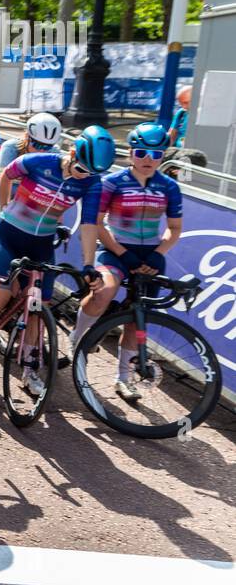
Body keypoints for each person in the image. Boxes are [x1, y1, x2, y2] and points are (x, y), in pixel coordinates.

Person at [0, 126, 114, 396]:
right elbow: (6, 175)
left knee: (39, 306)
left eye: (91, 172)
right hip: (7, 236)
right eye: (80, 168)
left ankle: (30, 368)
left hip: (41, 243)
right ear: (71, 152)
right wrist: (2, 206)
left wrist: (89, 264)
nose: (84, 175)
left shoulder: (91, 183)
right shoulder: (39, 161)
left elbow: (90, 224)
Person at [69, 123, 182, 401]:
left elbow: (175, 228)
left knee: (137, 318)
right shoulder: (113, 182)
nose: (148, 160)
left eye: (155, 155)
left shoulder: (169, 186)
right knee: (104, 291)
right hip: (115, 250)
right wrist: (123, 253)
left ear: (163, 157)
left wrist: (159, 252)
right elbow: (96, 224)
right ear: (130, 152)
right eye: (141, 152)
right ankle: (78, 339)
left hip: (151, 255)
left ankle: (123, 378)